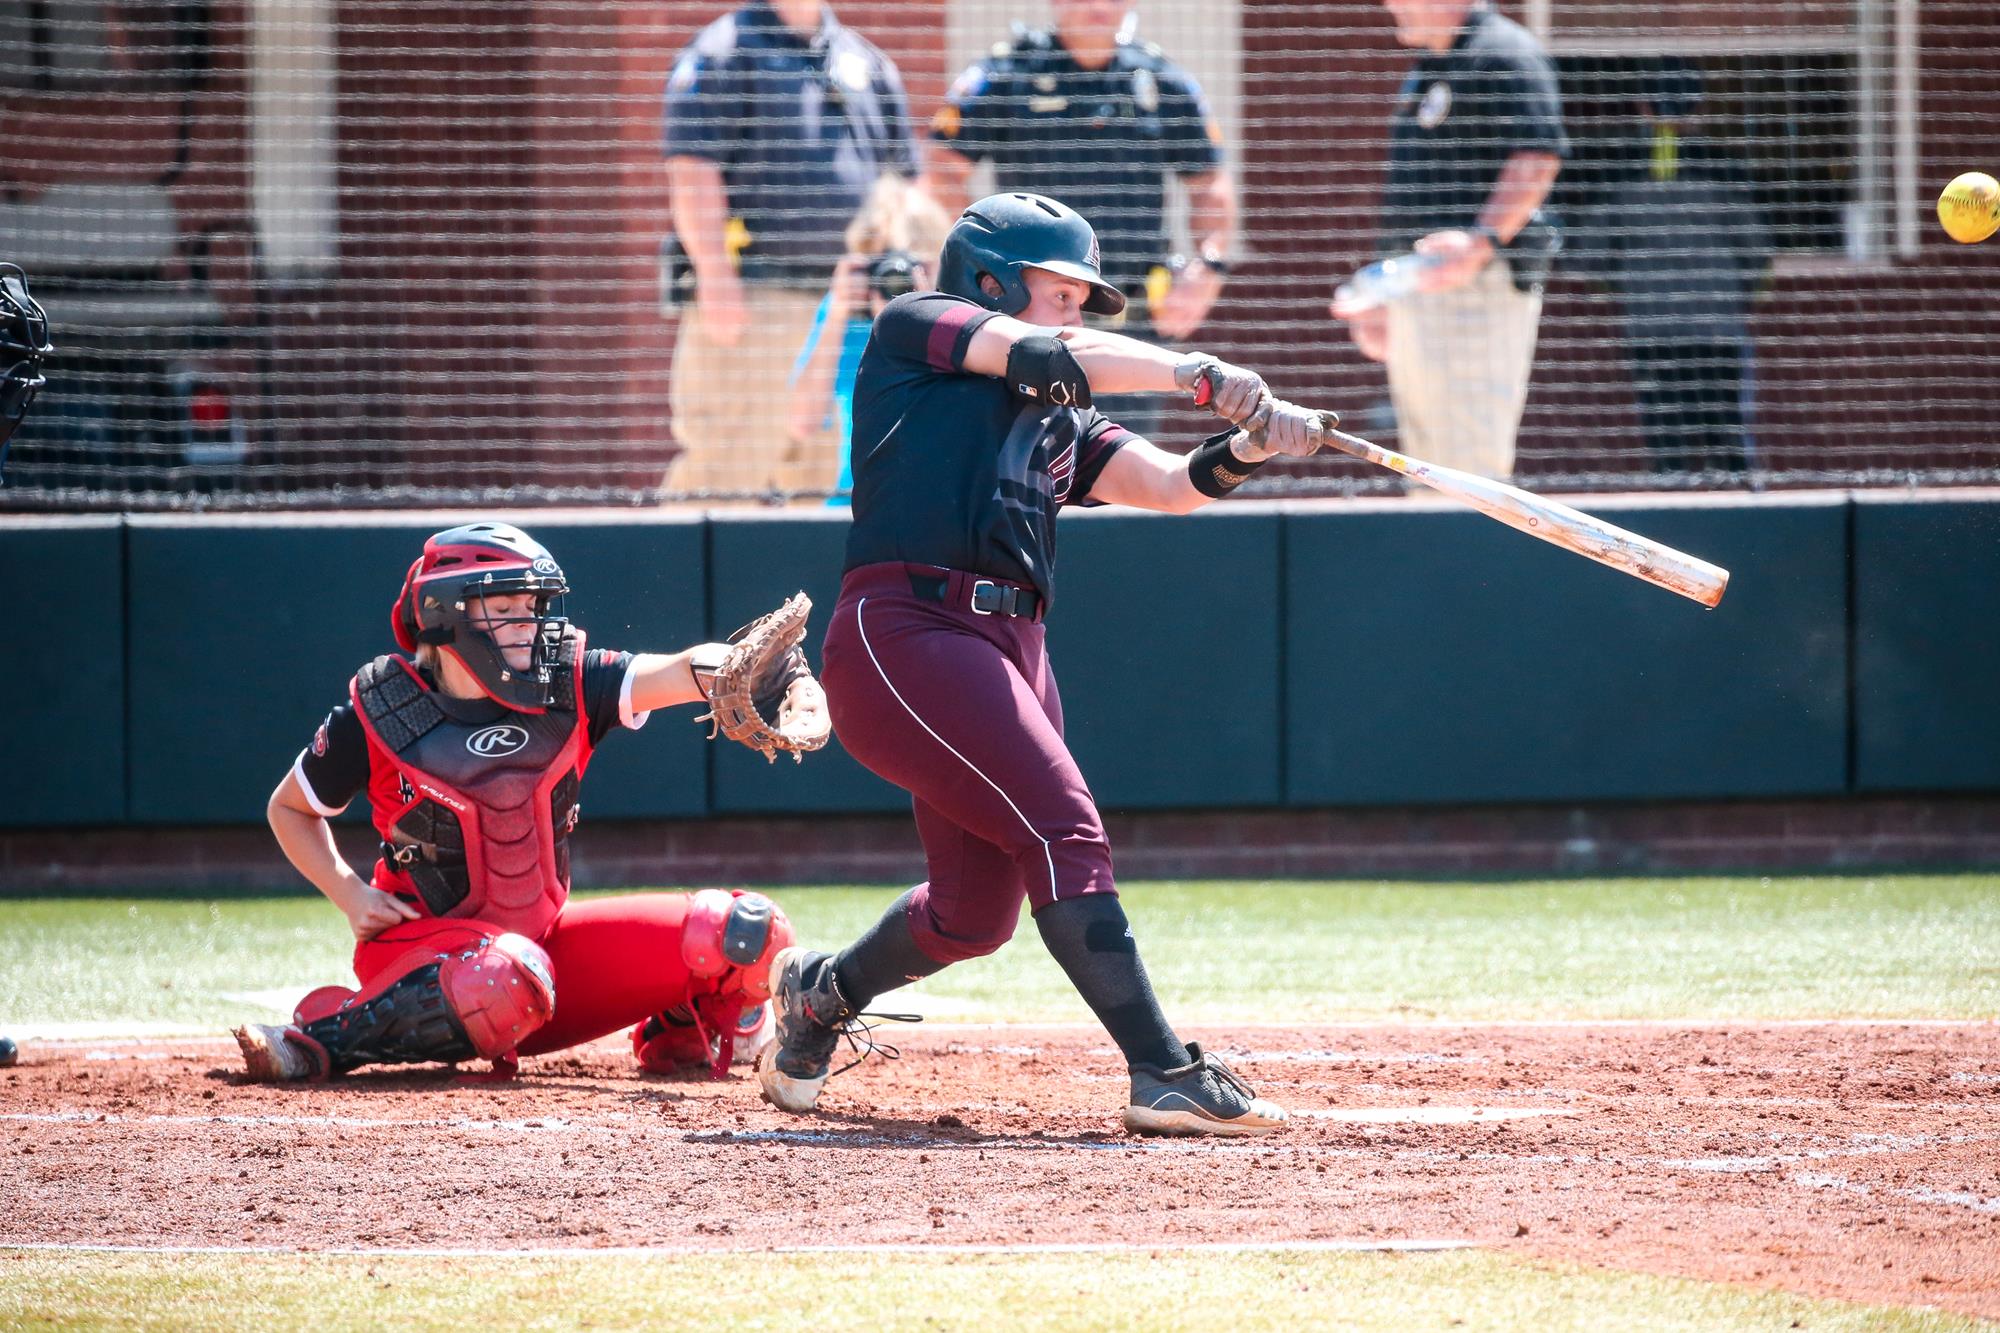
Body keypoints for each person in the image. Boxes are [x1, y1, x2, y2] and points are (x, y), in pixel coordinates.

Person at [754, 192, 1328, 1137]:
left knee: (973, 914)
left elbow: (1168, 485)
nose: (1073, 309)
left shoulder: (1061, 417)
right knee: (1066, 831)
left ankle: (822, 994)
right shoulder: (915, 326)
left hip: (1011, 646)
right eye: (1059, 290)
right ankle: (1163, 1069)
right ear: (989, 280)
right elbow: (1049, 355)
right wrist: (1199, 373)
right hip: (908, 631)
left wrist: (1251, 443)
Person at [233, 521, 828, 1083]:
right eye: (505, 607)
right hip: (425, 959)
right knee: (500, 974)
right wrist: (349, 893)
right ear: (444, 612)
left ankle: (681, 1034)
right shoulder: (380, 711)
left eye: (532, 605)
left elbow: (677, 670)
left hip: (543, 953)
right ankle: (320, 1040)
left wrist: (756, 673)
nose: (528, 622)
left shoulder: (568, 681)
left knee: (752, 934)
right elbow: (289, 809)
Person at [921, 0, 1235, 440]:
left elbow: (1209, 184)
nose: (1099, 5)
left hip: (1131, 327)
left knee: (1120, 462)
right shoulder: (1009, 74)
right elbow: (941, 171)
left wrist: (1208, 269)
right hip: (1027, 326)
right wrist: (981, 265)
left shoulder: (1159, 82)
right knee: (1023, 459)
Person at [661, 0, 916, 498]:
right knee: (725, 472)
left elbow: (904, 185)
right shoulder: (724, 52)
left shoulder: (865, 61)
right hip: (757, 303)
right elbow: (692, 171)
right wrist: (714, 276)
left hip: (849, 312)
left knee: (825, 485)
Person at [1329, 0, 1567, 482]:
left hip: (1476, 292)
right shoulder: (1433, 64)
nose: (1390, 4)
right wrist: (1384, 297)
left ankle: (1472, 538)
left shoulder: (1504, 52)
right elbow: (1412, 192)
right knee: (1427, 463)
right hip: (1420, 292)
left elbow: (1538, 157)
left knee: (1470, 462)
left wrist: (1480, 242)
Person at [1576, 61, 1769, 476]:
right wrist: (1739, 298)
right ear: (1701, 108)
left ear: (1643, 107)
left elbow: (1590, 256)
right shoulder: (1726, 167)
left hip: (1650, 330)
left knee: (1668, 444)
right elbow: (1756, 253)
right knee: (1728, 436)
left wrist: (1624, 291)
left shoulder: (1619, 171)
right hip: (1718, 330)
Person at [786, 175, 953, 504]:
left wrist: (920, 318)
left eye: (912, 265)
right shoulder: (847, 317)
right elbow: (801, 423)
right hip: (857, 500)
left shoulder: (955, 313)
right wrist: (836, 315)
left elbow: (946, 422)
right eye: (883, 264)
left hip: (933, 501)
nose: (896, 279)